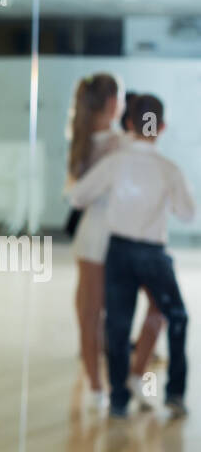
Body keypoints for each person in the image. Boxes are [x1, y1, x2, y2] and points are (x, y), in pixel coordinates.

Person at [70, 92, 195, 420]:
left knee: (118, 324)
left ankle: (119, 400)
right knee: (176, 317)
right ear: (162, 126)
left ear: (128, 124)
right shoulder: (168, 169)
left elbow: (79, 195)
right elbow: (187, 213)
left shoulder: (116, 163)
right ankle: (175, 394)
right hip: (152, 252)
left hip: (119, 251)